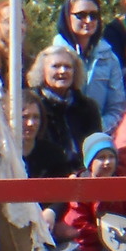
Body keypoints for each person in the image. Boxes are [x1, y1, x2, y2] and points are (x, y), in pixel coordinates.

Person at [55, 0, 126, 128]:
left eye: (93, 15)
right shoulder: (53, 57)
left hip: (99, 138)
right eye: (81, 15)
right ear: (67, 17)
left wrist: (95, 131)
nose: (88, 21)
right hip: (63, 137)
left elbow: (117, 107)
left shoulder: (109, 58)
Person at [28, 44, 101, 179]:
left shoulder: (87, 107)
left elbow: (96, 147)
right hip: (46, 177)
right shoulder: (34, 106)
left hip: (84, 177)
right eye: (56, 66)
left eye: (68, 67)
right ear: (42, 71)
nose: (62, 71)